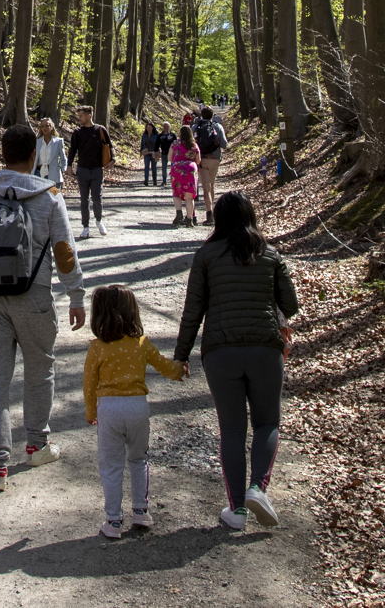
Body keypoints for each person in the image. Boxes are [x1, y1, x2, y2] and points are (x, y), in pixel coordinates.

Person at [0, 123, 86, 491]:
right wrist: (76, 295)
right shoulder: (49, 197)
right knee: (40, 369)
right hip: (35, 298)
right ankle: (37, 445)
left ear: (2, 154)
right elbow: (64, 252)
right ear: (34, 156)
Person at [172, 190, 298, 532]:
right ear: (250, 217)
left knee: (231, 429)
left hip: (220, 351)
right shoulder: (269, 254)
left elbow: (193, 310)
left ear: (220, 220)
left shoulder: (206, 255)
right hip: (265, 349)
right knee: (267, 423)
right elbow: (291, 304)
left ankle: (237, 510)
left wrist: (181, 356)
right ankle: (258, 487)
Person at [83, 284, 185, 539]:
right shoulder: (142, 344)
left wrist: (91, 412)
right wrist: (179, 370)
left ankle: (113, 520)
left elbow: (89, 384)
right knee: (139, 459)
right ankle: (141, 510)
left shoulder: (97, 347)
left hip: (109, 408)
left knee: (111, 465)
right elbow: (164, 366)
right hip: (138, 406)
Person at [67, 105, 114, 239]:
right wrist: (69, 165)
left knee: (97, 197)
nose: (79, 118)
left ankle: (99, 221)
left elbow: (109, 145)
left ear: (89, 115)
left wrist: (113, 159)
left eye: (81, 116)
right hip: (82, 169)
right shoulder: (77, 132)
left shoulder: (100, 130)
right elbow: (72, 150)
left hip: (97, 169)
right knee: (84, 199)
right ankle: (85, 227)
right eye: (79, 116)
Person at [191, 105, 228, 221]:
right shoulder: (218, 126)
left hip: (202, 159)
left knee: (205, 187)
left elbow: (190, 143)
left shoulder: (196, 126)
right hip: (215, 159)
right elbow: (224, 144)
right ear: (213, 115)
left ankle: (209, 213)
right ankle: (211, 212)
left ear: (201, 115)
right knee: (211, 185)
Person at [169, 122, 201, 227]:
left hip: (177, 169)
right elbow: (198, 160)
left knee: (176, 192)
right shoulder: (194, 145)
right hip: (190, 170)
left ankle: (179, 214)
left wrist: (178, 160)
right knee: (189, 196)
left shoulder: (175, 143)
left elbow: (169, 158)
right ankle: (189, 219)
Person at [34, 116, 69, 195]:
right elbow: (33, 158)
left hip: (54, 175)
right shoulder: (37, 141)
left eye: (47, 125)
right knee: (40, 198)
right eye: (42, 126)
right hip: (38, 174)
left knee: (54, 196)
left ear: (52, 127)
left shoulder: (58, 141)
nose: (45, 128)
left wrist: (63, 170)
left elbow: (63, 158)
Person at [140, 122, 166, 187]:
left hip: (154, 153)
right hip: (146, 153)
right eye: (147, 127)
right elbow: (142, 144)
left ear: (152, 128)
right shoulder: (144, 135)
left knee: (154, 168)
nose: (148, 128)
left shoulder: (156, 135)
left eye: (150, 127)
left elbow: (159, 144)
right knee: (146, 167)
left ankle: (154, 181)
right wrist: (141, 151)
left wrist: (158, 151)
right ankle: (146, 181)